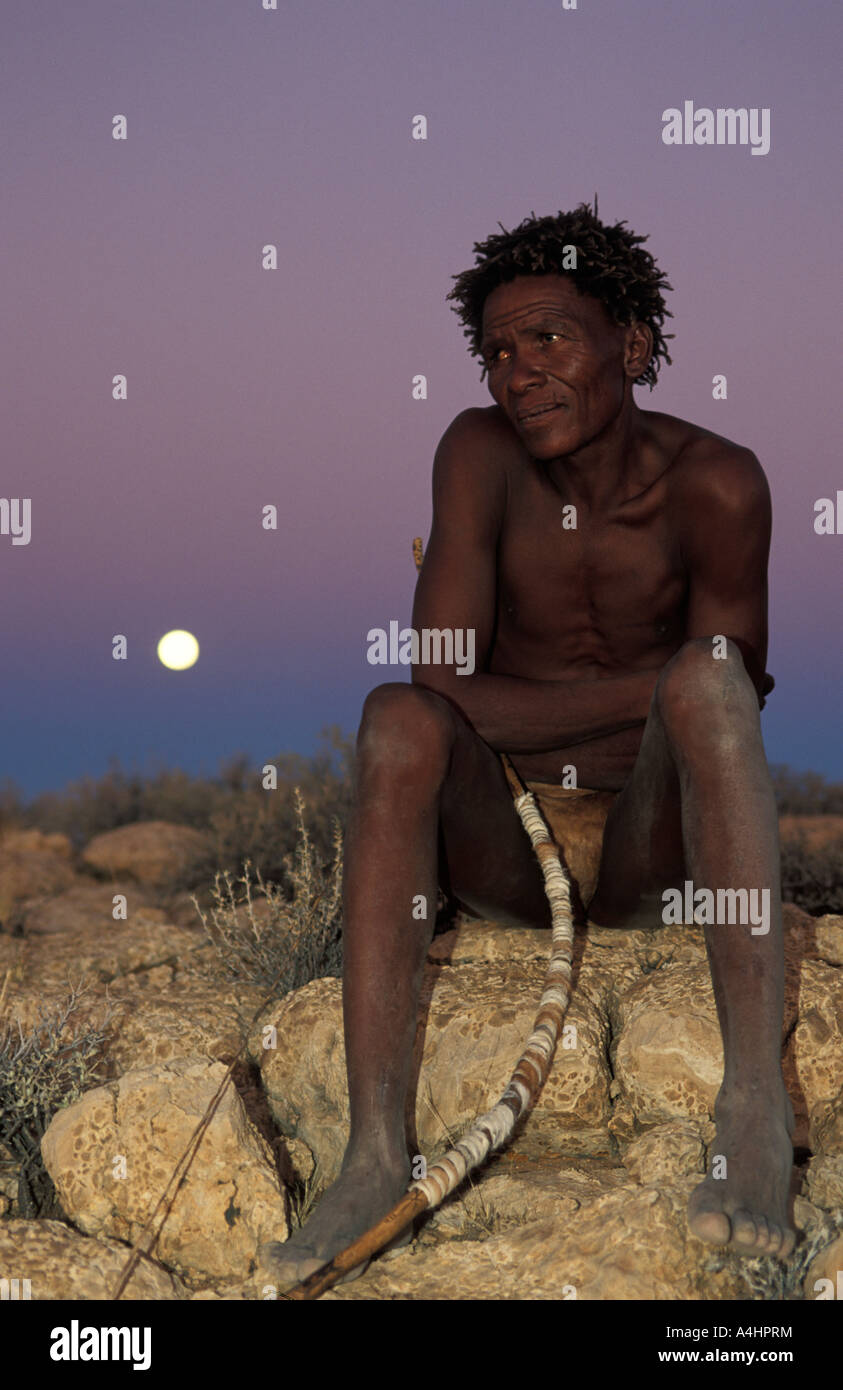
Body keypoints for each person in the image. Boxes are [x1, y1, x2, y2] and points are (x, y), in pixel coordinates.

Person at [261, 203, 794, 1288]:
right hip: (508, 842)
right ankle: (373, 1153)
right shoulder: (476, 454)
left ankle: (753, 1106)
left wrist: (673, 693)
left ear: (631, 345)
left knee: (710, 681)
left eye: (549, 338)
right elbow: (438, 688)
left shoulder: (719, 481)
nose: (519, 372)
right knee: (394, 722)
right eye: (500, 350)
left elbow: (729, 699)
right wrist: (662, 688)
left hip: (653, 850)